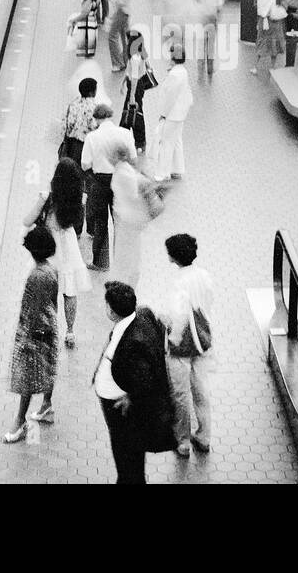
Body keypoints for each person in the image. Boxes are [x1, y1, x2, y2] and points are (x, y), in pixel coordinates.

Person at [93, 281, 175, 483]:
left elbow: (145, 381)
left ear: (112, 312)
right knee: (128, 457)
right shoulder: (142, 314)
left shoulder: (133, 342)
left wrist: (131, 398)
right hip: (118, 402)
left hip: (121, 410)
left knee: (127, 458)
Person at [24, 159, 91, 349]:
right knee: (69, 290)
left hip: (48, 247)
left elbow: (27, 221)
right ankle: (70, 331)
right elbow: (77, 224)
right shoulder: (80, 198)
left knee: (47, 288)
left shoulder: (47, 197)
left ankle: (47, 327)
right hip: (69, 246)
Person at [4, 224, 59, 443]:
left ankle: (20, 423)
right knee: (48, 368)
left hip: (35, 333)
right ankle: (46, 406)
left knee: (27, 378)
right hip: (50, 326)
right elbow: (52, 303)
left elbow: (33, 310)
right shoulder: (52, 269)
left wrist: (29, 338)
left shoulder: (36, 276)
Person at [164, 234, 214, 458]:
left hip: (182, 346)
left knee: (180, 393)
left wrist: (172, 339)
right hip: (202, 342)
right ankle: (204, 436)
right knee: (201, 389)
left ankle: (182, 442)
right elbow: (208, 302)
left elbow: (180, 314)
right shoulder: (203, 275)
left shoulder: (179, 282)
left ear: (173, 256)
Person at [82, 103, 136, 270]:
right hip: (120, 179)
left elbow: (85, 164)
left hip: (99, 182)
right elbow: (133, 158)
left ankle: (101, 262)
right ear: (110, 116)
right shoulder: (125, 133)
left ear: (97, 119)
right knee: (119, 220)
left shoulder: (92, 137)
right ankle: (121, 259)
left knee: (100, 222)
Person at [110, 140, 155, 287]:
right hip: (130, 219)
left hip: (128, 220)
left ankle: (125, 284)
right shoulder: (126, 169)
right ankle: (128, 281)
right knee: (132, 252)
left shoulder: (123, 173)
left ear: (117, 156)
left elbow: (133, 196)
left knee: (126, 255)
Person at [154, 42, 193, 182]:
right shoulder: (182, 71)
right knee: (176, 140)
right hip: (180, 114)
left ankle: (162, 173)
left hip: (172, 114)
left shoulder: (175, 74)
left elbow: (170, 96)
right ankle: (177, 169)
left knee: (166, 142)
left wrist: (163, 113)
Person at [192, 0, 227, 80]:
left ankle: (200, 66)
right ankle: (210, 68)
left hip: (201, 17)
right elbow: (219, 6)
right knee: (211, 44)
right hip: (212, 18)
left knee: (201, 42)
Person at [119, 29, 154, 152]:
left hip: (135, 88)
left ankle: (133, 142)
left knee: (132, 113)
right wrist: (123, 82)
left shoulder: (135, 57)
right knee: (135, 113)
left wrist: (132, 95)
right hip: (136, 87)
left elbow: (134, 78)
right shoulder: (139, 53)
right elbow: (130, 71)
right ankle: (138, 142)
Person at [252, 0, 286, 78]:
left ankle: (256, 67)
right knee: (274, 44)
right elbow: (283, 6)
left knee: (261, 42)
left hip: (262, 21)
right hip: (274, 22)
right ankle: (272, 67)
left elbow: (255, 5)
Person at [59, 77, 99, 167]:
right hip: (85, 147)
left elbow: (66, 124)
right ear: (92, 92)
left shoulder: (73, 104)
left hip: (71, 144)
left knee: (69, 169)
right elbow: (94, 127)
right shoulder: (94, 107)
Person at [108, 0, 133, 72]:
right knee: (124, 37)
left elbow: (120, 2)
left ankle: (117, 63)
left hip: (121, 12)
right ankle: (125, 60)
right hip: (126, 12)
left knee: (112, 36)